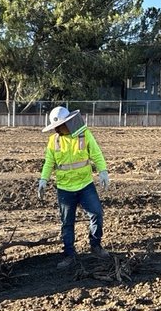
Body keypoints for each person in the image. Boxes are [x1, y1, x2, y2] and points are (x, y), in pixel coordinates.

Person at [37, 106, 111, 268]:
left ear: (69, 122)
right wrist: (44, 179)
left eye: (60, 125)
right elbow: (49, 162)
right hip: (64, 188)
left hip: (85, 185)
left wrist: (103, 171)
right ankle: (69, 254)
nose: (56, 129)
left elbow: (96, 154)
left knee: (96, 213)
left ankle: (95, 245)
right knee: (67, 223)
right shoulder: (53, 140)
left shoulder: (84, 135)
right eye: (55, 126)